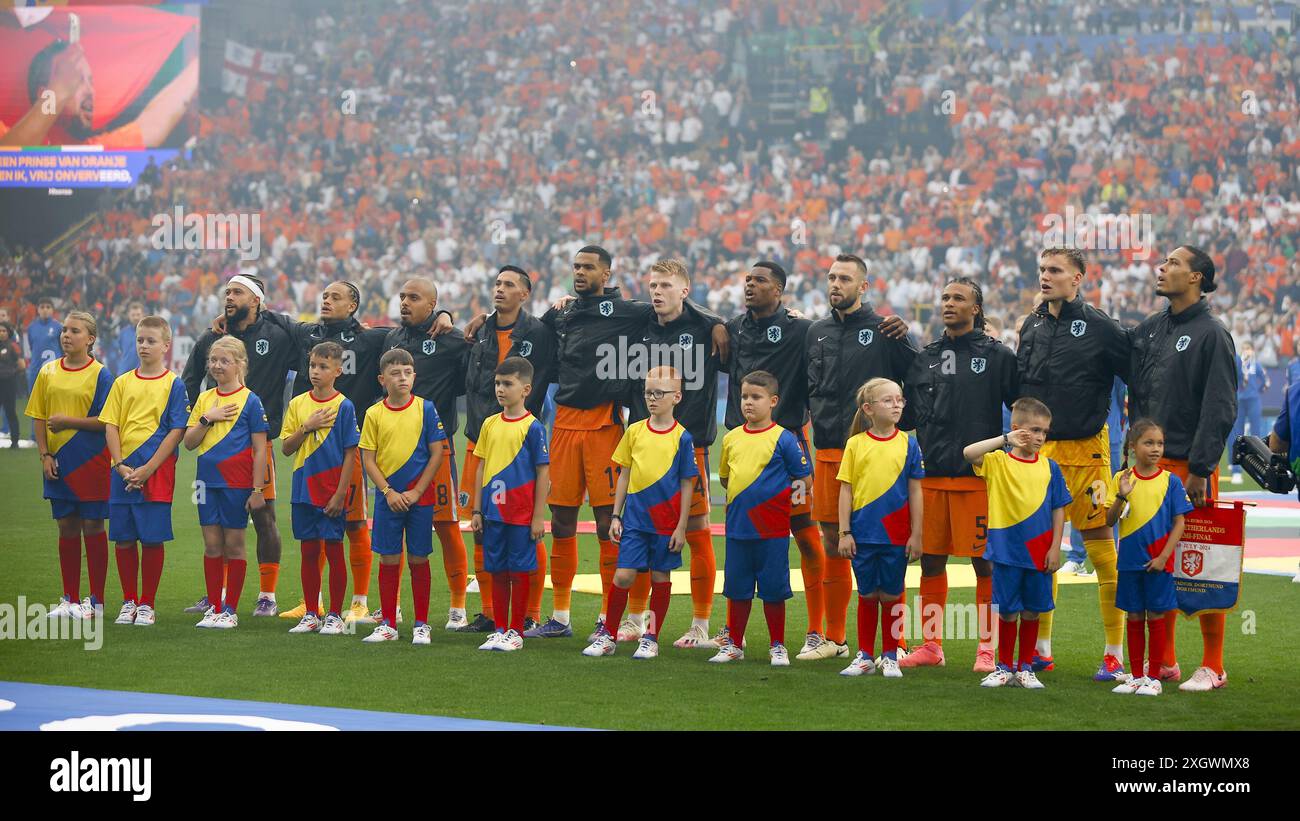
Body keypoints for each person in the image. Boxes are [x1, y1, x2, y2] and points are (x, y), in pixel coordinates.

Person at [1016, 248, 1131, 680]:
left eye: (1055, 271)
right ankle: (1041, 649)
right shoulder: (1032, 324)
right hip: (1039, 453)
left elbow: (1137, 372)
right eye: (1042, 269)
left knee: (1101, 548)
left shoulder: (1101, 327)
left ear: (1078, 278)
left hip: (1087, 451)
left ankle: (1115, 652)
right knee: (1042, 550)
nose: (1045, 277)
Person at [1127, 246, 1238, 692]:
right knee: (1158, 563)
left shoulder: (1213, 334)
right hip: (1148, 468)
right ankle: (1164, 662)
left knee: (1201, 562)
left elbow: (1220, 406)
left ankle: (1214, 665)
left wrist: (1201, 467)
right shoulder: (1151, 329)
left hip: (1189, 468)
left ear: (1196, 277)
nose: (1162, 267)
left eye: (1173, 263)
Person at [804, 253, 918, 661]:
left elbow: (918, 379)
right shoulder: (814, 332)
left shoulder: (887, 330)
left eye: (845, 279)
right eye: (832, 277)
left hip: (878, 456)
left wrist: (903, 433)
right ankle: (835, 638)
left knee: (888, 544)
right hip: (829, 450)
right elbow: (807, 390)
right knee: (833, 542)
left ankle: (897, 642)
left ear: (863, 286)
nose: (836, 284)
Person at [902, 278, 1017, 672]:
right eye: (946, 297)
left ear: (977, 308)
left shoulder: (998, 356)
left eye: (959, 298)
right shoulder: (925, 357)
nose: (949, 303)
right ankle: (932, 645)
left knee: (984, 564)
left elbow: (1019, 407)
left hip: (978, 478)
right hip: (932, 475)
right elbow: (909, 416)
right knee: (931, 562)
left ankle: (987, 647)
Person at [721, 261, 822, 651]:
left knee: (807, 537)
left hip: (788, 443)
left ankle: (816, 630)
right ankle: (733, 633)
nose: (750, 284)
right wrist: (714, 323)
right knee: (743, 539)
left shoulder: (803, 328)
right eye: (747, 279)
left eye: (760, 280)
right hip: (742, 446)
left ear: (779, 290)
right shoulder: (731, 328)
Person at [182, 275, 297, 616]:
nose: (229, 297)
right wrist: (193, 418)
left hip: (257, 445)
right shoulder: (212, 337)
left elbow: (311, 351)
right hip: (214, 452)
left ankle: (267, 595)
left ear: (257, 300)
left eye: (237, 292)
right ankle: (216, 596)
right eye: (227, 292)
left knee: (264, 518)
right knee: (215, 531)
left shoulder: (276, 335)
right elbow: (190, 379)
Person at [620, 260, 721, 647]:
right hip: (644, 444)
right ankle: (634, 618)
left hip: (688, 447)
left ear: (685, 290)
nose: (656, 292)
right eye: (652, 285)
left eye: (665, 285)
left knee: (696, 534)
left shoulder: (705, 329)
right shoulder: (639, 324)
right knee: (641, 532)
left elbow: (727, 326)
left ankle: (700, 624)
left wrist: (710, 319)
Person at [462, 266, 556, 635]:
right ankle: (490, 614)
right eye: (497, 283)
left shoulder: (540, 333)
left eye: (509, 285)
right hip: (480, 437)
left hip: (520, 442)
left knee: (527, 533)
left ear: (525, 294)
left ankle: (529, 613)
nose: (500, 289)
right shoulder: (480, 330)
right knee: (482, 528)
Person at [584, 366, 697, 659]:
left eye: (660, 392)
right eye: (648, 392)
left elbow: (687, 484)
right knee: (623, 576)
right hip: (634, 521)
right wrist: (616, 515)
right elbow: (624, 473)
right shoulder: (634, 430)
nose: (652, 398)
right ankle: (608, 635)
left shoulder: (683, 438)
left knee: (660, 577)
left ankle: (651, 637)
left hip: (666, 523)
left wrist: (681, 527)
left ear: (677, 397)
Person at [383, 277, 473, 630]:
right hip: (394, 452)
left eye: (414, 297)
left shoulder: (452, 340)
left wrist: (452, 319)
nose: (405, 302)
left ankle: (458, 607)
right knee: (395, 527)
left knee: (446, 526)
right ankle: (395, 608)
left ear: (433, 303)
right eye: (402, 296)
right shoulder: (392, 339)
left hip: (436, 449)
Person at [964, 397, 1072, 689]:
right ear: (1015, 430)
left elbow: (1058, 509)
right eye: (1034, 430)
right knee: (1008, 610)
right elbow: (968, 452)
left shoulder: (1051, 468)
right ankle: (1003, 667)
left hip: (1039, 552)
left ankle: (1026, 668)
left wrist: (1054, 547)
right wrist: (1004, 440)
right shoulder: (998, 461)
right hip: (1006, 551)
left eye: (1044, 432)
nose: (1039, 437)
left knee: (1032, 610)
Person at [710, 371, 812, 666]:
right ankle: (733, 644)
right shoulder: (731, 438)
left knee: (773, 590)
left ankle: (777, 645)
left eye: (756, 397)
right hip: (739, 530)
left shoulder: (784, 438)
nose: (748, 403)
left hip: (773, 531)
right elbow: (728, 480)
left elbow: (804, 479)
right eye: (744, 397)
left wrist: (777, 501)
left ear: (773, 401)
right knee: (737, 588)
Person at [100, 316, 188, 627]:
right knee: (123, 539)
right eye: (140, 340)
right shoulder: (122, 382)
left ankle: (147, 604)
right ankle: (128, 601)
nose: (144, 346)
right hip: (121, 472)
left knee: (151, 539)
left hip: (157, 473)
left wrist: (148, 468)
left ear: (166, 346)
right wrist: (121, 464)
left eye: (151, 341)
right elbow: (110, 424)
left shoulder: (173, 384)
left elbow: (177, 430)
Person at [25, 311, 112, 618]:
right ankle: (69, 599)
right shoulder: (47, 371)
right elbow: (38, 415)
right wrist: (45, 455)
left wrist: (67, 422)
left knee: (92, 525)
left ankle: (97, 602)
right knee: (66, 526)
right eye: (64, 330)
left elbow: (106, 421)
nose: (66, 335)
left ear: (90, 339)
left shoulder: (102, 374)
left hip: (91, 458)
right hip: (58, 460)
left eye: (74, 331)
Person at [357, 349, 447, 644]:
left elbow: (437, 453)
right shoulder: (374, 413)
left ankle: (422, 624)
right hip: (388, 498)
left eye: (408, 372)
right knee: (389, 557)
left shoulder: (426, 408)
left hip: (419, 497)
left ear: (414, 376)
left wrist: (417, 490)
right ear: (382, 379)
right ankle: (388, 623)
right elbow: (368, 459)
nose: (403, 378)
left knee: (419, 557)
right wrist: (388, 491)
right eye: (396, 373)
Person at [836, 378, 924, 678]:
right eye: (888, 400)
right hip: (862, 534)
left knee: (890, 595)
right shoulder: (855, 444)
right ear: (868, 408)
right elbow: (846, 490)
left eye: (899, 399)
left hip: (896, 535)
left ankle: (889, 655)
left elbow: (915, 491)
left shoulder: (909, 444)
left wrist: (916, 534)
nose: (897, 404)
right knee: (867, 594)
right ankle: (864, 655)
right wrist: (844, 532)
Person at [182, 337, 269, 630]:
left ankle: (229, 610)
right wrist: (207, 418)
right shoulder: (205, 400)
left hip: (237, 483)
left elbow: (260, 450)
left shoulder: (251, 401)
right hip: (206, 483)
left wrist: (257, 490)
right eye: (213, 360)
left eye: (224, 361)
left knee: (234, 544)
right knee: (211, 545)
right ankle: (215, 607)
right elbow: (189, 443)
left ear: (240, 364)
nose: (217, 366)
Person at [1105, 420, 1193, 697]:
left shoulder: (1171, 481)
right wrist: (1121, 495)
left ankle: (1153, 677)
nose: (1156, 449)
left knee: (1156, 615)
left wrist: (1164, 556)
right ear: (1133, 447)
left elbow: (1180, 522)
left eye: (1160, 443)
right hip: (1130, 561)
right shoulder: (1122, 478)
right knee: (1133, 615)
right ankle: (1135, 675)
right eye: (1149, 443)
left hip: (1159, 563)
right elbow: (1109, 520)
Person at [469, 356, 550, 652]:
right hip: (493, 513)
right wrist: (477, 509)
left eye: (508, 384)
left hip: (520, 513)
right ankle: (500, 627)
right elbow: (480, 467)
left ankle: (516, 630)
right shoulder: (489, 424)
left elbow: (543, 472)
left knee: (519, 570)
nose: (501, 389)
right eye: (498, 383)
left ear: (526, 389)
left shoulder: (533, 427)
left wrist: (538, 517)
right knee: (497, 570)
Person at [280, 342, 361, 636]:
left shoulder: (344, 406)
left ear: (338, 371)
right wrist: (307, 426)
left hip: (331, 490)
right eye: (313, 365)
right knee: (309, 550)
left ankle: (335, 616)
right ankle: (312, 613)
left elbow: (351, 452)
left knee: (335, 549)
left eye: (323, 367)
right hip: (303, 488)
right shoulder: (298, 404)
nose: (316, 371)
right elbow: (287, 448)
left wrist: (341, 493)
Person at [2, 40, 198, 148]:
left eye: (91, 81)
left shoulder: (89, 153)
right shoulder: (7, 139)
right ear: (44, 94)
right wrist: (59, 92)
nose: (91, 91)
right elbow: (8, 162)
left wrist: (201, 63)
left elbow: (151, 125)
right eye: (77, 80)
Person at [1230, 342, 1270, 484]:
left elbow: (1266, 382)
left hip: (1253, 401)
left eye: (1249, 348)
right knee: (1237, 434)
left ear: (1253, 350)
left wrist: (1256, 392)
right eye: (1244, 348)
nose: (1246, 351)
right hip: (1240, 401)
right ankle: (1235, 468)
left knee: (1256, 434)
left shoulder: (1256, 365)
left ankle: (1259, 464)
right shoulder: (1237, 363)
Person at [0, 322, 26, 447]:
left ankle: (14, 441)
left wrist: (11, 373)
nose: (1, 333)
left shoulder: (13, 346)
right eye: (0, 331)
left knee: (10, 411)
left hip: (8, 382)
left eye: (4, 330)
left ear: (8, 332)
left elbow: (22, 365)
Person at [112, 303, 145, 377]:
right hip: (123, 375)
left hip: (142, 376)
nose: (135, 317)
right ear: (129, 316)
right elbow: (119, 351)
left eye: (138, 314)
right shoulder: (123, 332)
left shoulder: (149, 333)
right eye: (133, 315)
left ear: (143, 315)